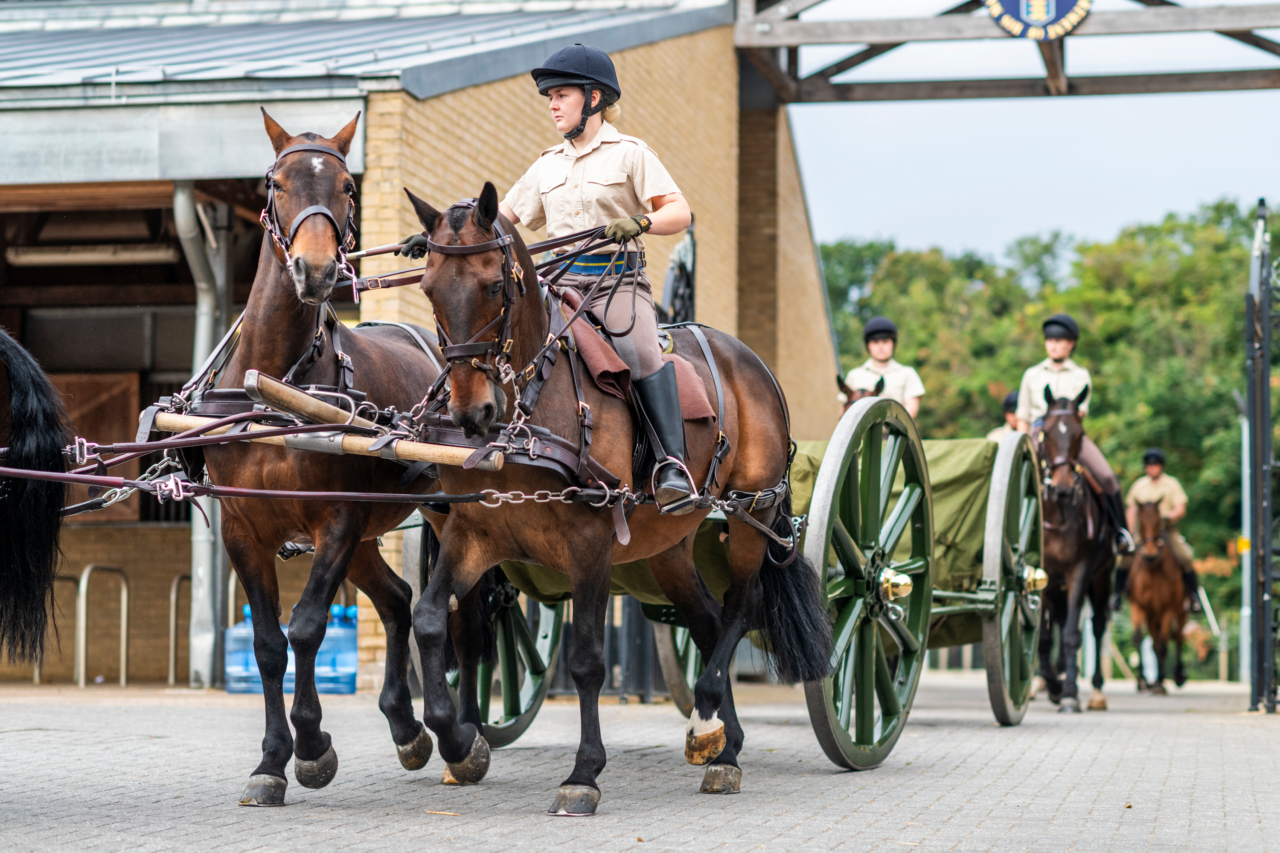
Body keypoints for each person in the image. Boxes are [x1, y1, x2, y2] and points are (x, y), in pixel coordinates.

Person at [400, 44, 695, 514]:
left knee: (640, 353)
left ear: (593, 99)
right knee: (495, 339)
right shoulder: (546, 166)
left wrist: (640, 223)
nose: (553, 105)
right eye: (550, 97)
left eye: (561, 95)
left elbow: (679, 212)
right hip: (559, 284)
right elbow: (502, 223)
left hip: (616, 285)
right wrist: (442, 240)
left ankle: (671, 465)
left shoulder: (630, 154)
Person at [1015, 313, 1133, 553]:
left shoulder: (1081, 375)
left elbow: (1079, 415)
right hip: (1040, 431)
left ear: (1071, 344)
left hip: (1070, 436)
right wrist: (1022, 447)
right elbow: (1023, 416)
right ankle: (1008, 535)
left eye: (1060, 341)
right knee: (1014, 477)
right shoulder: (1032, 375)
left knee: (1108, 477)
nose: (1054, 345)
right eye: (1050, 340)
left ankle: (1121, 532)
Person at [1117, 448, 1201, 613]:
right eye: (1149, 466)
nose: (1151, 468)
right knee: (1125, 559)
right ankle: (1117, 596)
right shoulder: (1139, 485)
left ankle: (1193, 596)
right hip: (1143, 532)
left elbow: (1180, 507)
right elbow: (1132, 509)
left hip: (1166, 529)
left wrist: (1169, 517)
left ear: (1161, 466)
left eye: (1155, 465)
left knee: (1185, 556)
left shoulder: (1171, 484)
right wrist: (1130, 532)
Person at [842, 317, 925, 418]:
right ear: (868, 345)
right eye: (875, 342)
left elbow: (911, 409)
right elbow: (843, 411)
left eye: (885, 341)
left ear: (893, 344)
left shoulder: (907, 373)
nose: (880, 346)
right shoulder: (854, 375)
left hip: (896, 431)